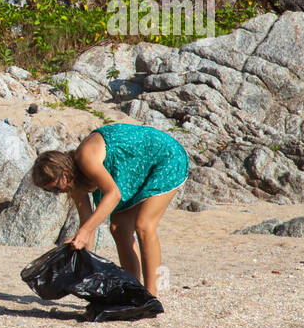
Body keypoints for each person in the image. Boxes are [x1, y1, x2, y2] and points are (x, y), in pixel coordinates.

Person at [32, 122, 189, 296]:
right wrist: (82, 260)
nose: (56, 193)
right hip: (136, 168)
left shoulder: (85, 157)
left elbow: (113, 195)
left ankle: (152, 295)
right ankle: (134, 291)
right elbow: (87, 223)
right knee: (119, 227)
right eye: (50, 191)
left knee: (144, 225)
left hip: (166, 157)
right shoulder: (74, 183)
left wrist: (84, 231)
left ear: (64, 171)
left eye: (56, 187)